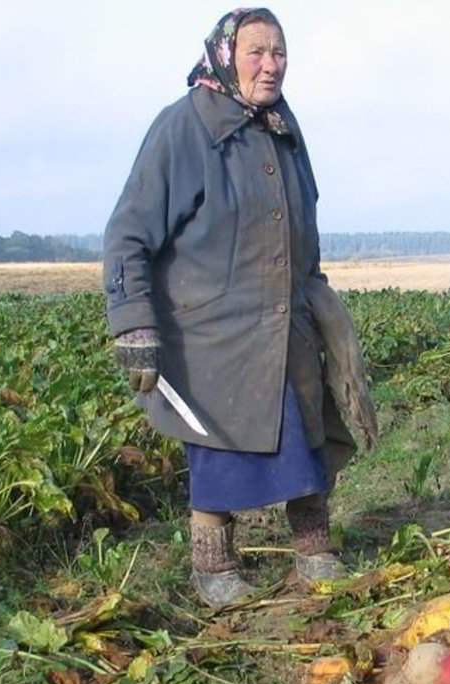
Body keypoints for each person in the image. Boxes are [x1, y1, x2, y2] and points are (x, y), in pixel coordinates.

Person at [104, 8, 377, 609]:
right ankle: (214, 564)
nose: (271, 65)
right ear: (226, 55)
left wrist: (319, 303)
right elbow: (129, 234)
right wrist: (133, 321)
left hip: (287, 321)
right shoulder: (185, 127)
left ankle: (314, 550)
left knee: (304, 431)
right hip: (212, 335)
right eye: (257, 52)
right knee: (219, 448)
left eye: (280, 53)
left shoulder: (283, 128)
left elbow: (303, 226)